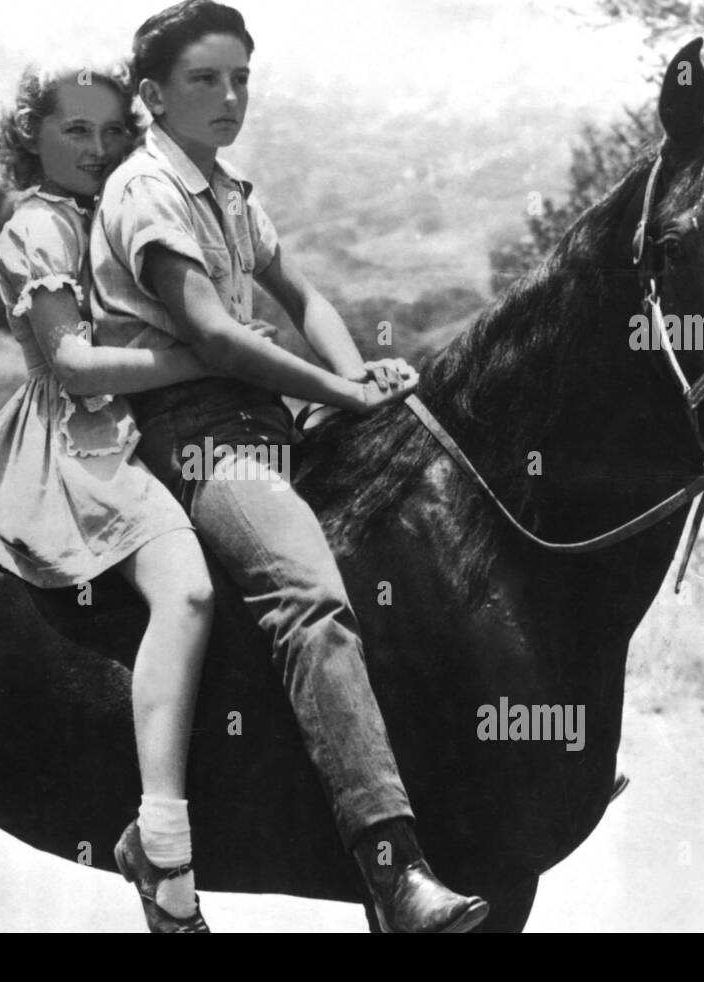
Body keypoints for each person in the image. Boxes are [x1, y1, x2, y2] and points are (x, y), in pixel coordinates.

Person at [90, 0, 490, 932]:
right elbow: (219, 336)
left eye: (240, 80)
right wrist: (338, 395)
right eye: (205, 80)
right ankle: (393, 872)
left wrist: (362, 378)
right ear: (152, 96)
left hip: (260, 416)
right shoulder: (145, 190)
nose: (230, 97)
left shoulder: (230, 190)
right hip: (192, 429)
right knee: (310, 596)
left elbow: (300, 296)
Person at [0, 60, 251, 933]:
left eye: (114, 129)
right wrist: (209, 356)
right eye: (73, 131)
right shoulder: (35, 231)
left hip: (167, 414)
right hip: (80, 437)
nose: (97, 147)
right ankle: (162, 842)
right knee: (189, 590)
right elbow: (75, 365)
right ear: (30, 139)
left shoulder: (122, 209)